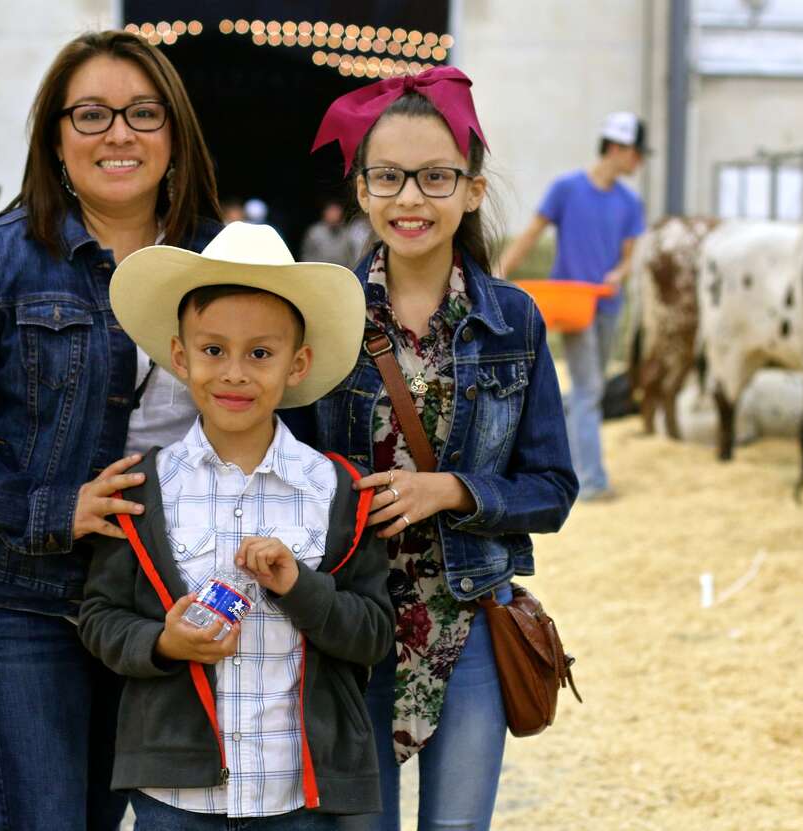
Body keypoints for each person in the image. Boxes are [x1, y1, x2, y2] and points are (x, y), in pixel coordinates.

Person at [0, 30, 221, 831]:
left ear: (174, 133)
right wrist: (49, 507)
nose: (119, 134)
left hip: (150, 600)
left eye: (143, 112)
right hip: (12, 592)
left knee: (104, 822)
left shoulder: (220, 261)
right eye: (92, 114)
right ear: (56, 137)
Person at [310, 67, 579, 831]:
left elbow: (553, 487)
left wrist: (454, 490)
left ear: (472, 190)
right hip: (352, 626)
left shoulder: (514, 322)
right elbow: (287, 466)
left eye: (435, 177)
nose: (411, 198)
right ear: (361, 189)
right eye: (388, 176)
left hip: (469, 626)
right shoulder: (322, 313)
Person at [79, 221, 395, 828]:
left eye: (260, 353)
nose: (234, 373)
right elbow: (99, 618)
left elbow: (374, 634)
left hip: (300, 797)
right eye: (213, 349)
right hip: (176, 799)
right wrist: (162, 643)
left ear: (297, 363)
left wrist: (300, 586)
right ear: (180, 356)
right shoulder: (141, 488)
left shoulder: (339, 492)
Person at [498, 111, 648, 500]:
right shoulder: (566, 189)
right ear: (616, 148)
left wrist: (620, 273)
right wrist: (495, 275)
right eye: (636, 153)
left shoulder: (630, 203)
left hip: (607, 306)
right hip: (573, 305)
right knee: (588, 389)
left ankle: (565, 461)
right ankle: (591, 479)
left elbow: (630, 256)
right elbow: (531, 234)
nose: (640, 162)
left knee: (586, 390)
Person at [301, 198, 361, 266]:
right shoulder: (314, 233)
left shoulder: (346, 234)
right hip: (319, 271)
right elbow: (307, 255)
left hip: (340, 272)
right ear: (325, 213)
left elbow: (351, 257)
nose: (334, 216)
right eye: (331, 212)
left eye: (336, 212)